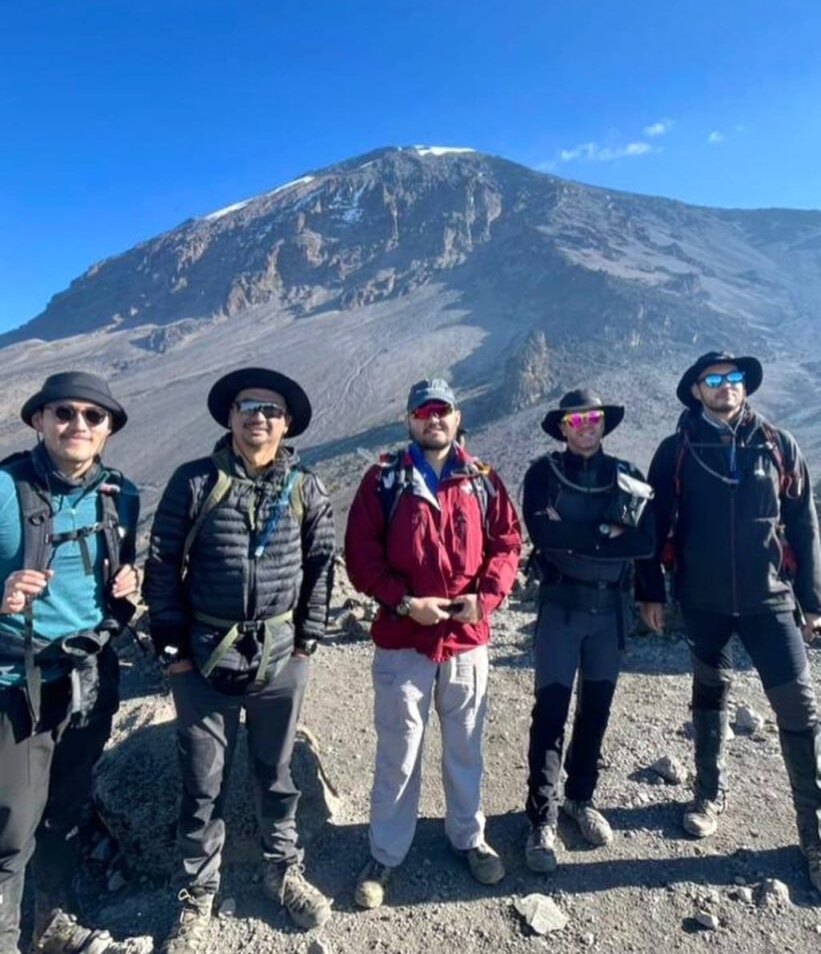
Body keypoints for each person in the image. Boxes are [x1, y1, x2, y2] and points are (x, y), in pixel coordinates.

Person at [143, 368, 335, 952]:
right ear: (230, 416)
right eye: (248, 406)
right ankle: (197, 893)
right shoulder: (195, 481)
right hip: (203, 658)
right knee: (202, 781)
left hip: (280, 658)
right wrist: (173, 651)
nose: (259, 416)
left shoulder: (306, 487)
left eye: (271, 409)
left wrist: (306, 643)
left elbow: (321, 566)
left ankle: (282, 870)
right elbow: (161, 563)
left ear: (287, 423)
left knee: (277, 772)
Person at [636, 351, 821, 890]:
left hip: (771, 600)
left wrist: (812, 600)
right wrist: (650, 591)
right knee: (710, 691)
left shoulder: (777, 445)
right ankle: (707, 794)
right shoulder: (677, 450)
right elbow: (654, 523)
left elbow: (804, 524)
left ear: (745, 386)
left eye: (734, 378)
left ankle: (813, 833)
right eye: (714, 379)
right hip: (703, 598)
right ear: (697, 390)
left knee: (799, 705)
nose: (726, 386)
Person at [345, 377, 521, 909]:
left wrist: (485, 600)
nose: (434, 419)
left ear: (457, 418)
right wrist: (404, 603)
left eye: (443, 410)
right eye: (424, 411)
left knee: (466, 746)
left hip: (466, 639)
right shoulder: (383, 480)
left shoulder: (482, 480)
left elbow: (507, 543)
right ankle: (386, 853)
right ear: (409, 420)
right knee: (398, 751)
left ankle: (468, 838)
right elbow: (361, 556)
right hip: (404, 638)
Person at [0, 371, 140, 954]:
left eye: (93, 416)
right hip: (17, 683)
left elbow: (116, 574)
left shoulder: (121, 494)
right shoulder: (4, 490)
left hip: (89, 677)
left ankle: (51, 925)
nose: (78, 424)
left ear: (108, 430)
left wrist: (129, 583)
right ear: (38, 419)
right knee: (11, 828)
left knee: (66, 810)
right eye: (64, 412)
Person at [521, 388, 654, 873]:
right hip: (561, 608)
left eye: (593, 417)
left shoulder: (628, 474)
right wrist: (606, 532)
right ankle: (542, 816)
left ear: (604, 423)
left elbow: (646, 540)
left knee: (596, 711)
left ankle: (580, 798)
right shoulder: (543, 475)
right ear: (562, 427)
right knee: (550, 713)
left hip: (609, 613)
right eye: (575, 420)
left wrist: (649, 589)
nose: (585, 426)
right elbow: (545, 536)